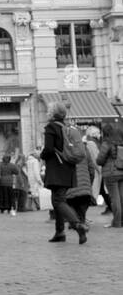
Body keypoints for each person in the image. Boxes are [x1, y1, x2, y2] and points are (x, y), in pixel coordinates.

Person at [40, 101, 89, 244]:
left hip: (57, 168)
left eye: (49, 109)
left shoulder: (51, 127)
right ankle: (59, 232)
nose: (47, 111)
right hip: (68, 168)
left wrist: (41, 155)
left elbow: (49, 149)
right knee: (57, 200)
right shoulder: (66, 127)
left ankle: (78, 225)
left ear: (52, 113)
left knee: (58, 200)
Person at [97, 121, 123, 228]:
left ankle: (116, 222)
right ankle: (121, 221)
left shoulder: (106, 143)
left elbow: (99, 160)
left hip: (110, 173)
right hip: (121, 171)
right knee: (122, 197)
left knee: (115, 199)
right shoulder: (121, 143)